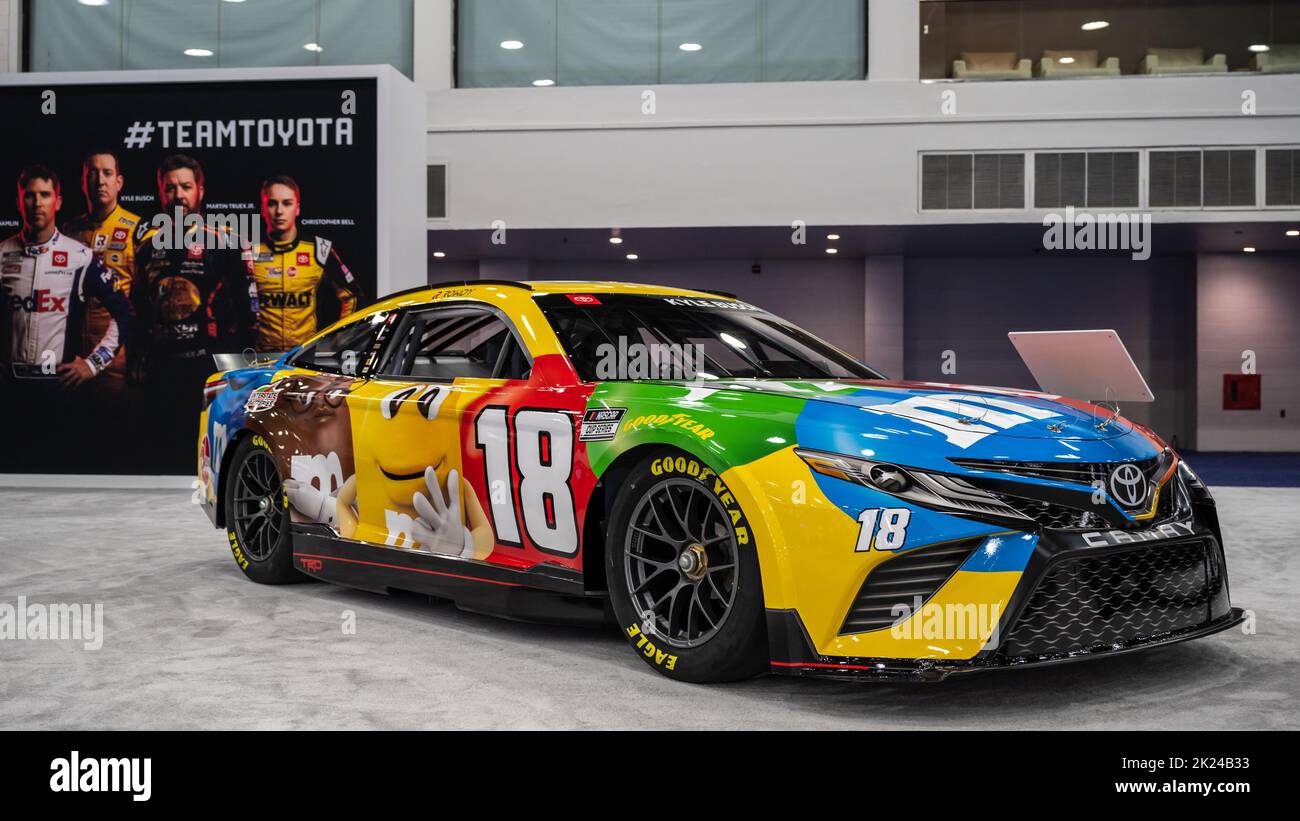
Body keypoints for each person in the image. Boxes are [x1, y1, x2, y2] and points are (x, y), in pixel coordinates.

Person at [0, 165, 133, 471]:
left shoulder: (80, 256)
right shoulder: (3, 253)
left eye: (45, 195)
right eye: (29, 196)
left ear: (57, 202)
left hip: (59, 392)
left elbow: (124, 313)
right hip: (11, 394)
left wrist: (92, 363)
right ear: (19, 201)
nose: (37, 203)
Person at [131, 153, 257, 472]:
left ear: (200, 190)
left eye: (185, 186)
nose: (178, 196)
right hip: (160, 375)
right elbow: (138, 312)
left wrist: (236, 372)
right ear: (160, 193)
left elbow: (248, 316)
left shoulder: (226, 243)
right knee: (160, 462)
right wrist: (138, 361)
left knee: (210, 464)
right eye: (170, 188)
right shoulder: (146, 248)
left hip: (207, 373)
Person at [61, 149, 142, 437]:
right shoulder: (68, 231)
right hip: (72, 357)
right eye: (92, 174)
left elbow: (142, 301)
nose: (100, 181)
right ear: (83, 183)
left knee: (116, 437)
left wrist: (138, 356)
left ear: (119, 182)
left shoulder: (137, 229)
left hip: (118, 356)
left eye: (107, 173)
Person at [251, 175, 362, 351]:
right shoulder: (249, 252)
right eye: (272, 203)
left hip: (303, 355)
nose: (279, 211)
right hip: (259, 355)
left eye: (287, 203)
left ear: (297, 209)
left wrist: (341, 339)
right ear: (263, 209)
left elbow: (351, 296)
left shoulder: (319, 249)